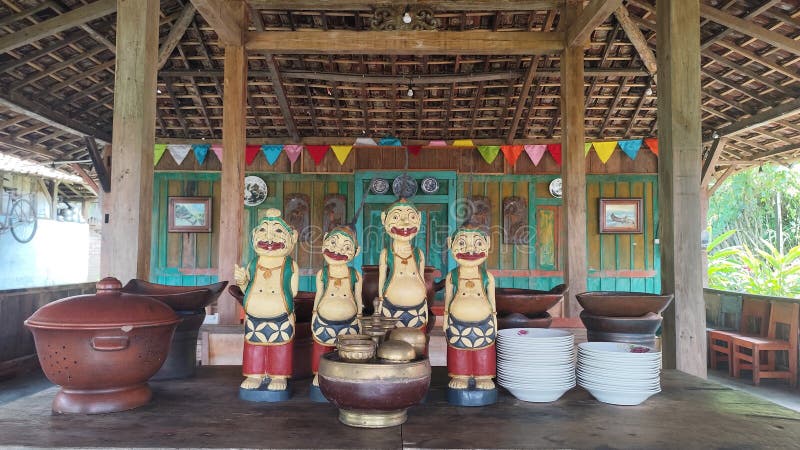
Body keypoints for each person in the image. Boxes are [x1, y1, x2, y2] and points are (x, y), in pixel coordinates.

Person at [234, 209, 299, 393]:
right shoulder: (253, 264)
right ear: (254, 235)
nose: (269, 238)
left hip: (281, 317)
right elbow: (248, 289)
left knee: (280, 347)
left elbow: (293, 291)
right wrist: (242, 282)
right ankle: (254, 374)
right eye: (263, 230)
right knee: (254, 347)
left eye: (277, 231)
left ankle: (279, 376)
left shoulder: (290, 265)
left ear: (292, 237)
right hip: (254, 317)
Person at [443, 225, 497, 391]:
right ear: (450, 244)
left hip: (484, 323)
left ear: (488, 244)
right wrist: (445, 321)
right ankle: (460, 375)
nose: (470, 249)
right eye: (462, 243)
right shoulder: (452, 276)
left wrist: (495, 321)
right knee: (459, 350)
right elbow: (447, 300)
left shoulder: (487, 276)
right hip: (457, 322)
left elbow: (492, 301)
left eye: (478, 243)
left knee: (484, 351)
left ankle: (483, 376)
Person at [311, 226, 363, 387]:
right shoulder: (323, 273)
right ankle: (319, 373)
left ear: (356, 252)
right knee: (322, 349)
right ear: (324, 241)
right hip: (323, 320)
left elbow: (358, 297)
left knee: (347, 352)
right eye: (333, 243)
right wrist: (314, 313)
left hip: (350, 321)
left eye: (346, 247)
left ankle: (344, 374)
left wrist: (359, 316)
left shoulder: (355, 274)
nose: (338, 250)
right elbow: (319, 294)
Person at [378, 199, 428, 331]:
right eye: (396, 217)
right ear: (384, 219)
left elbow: (421, 277)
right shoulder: (386, 253)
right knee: (391, 340)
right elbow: (382, 279)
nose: (405, 222)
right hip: (391, 308)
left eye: (411, 217)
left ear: (419, 219)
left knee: (417, 340)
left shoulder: (418, 253)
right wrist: (381, 300)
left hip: (418, 309)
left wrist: (425, 300)